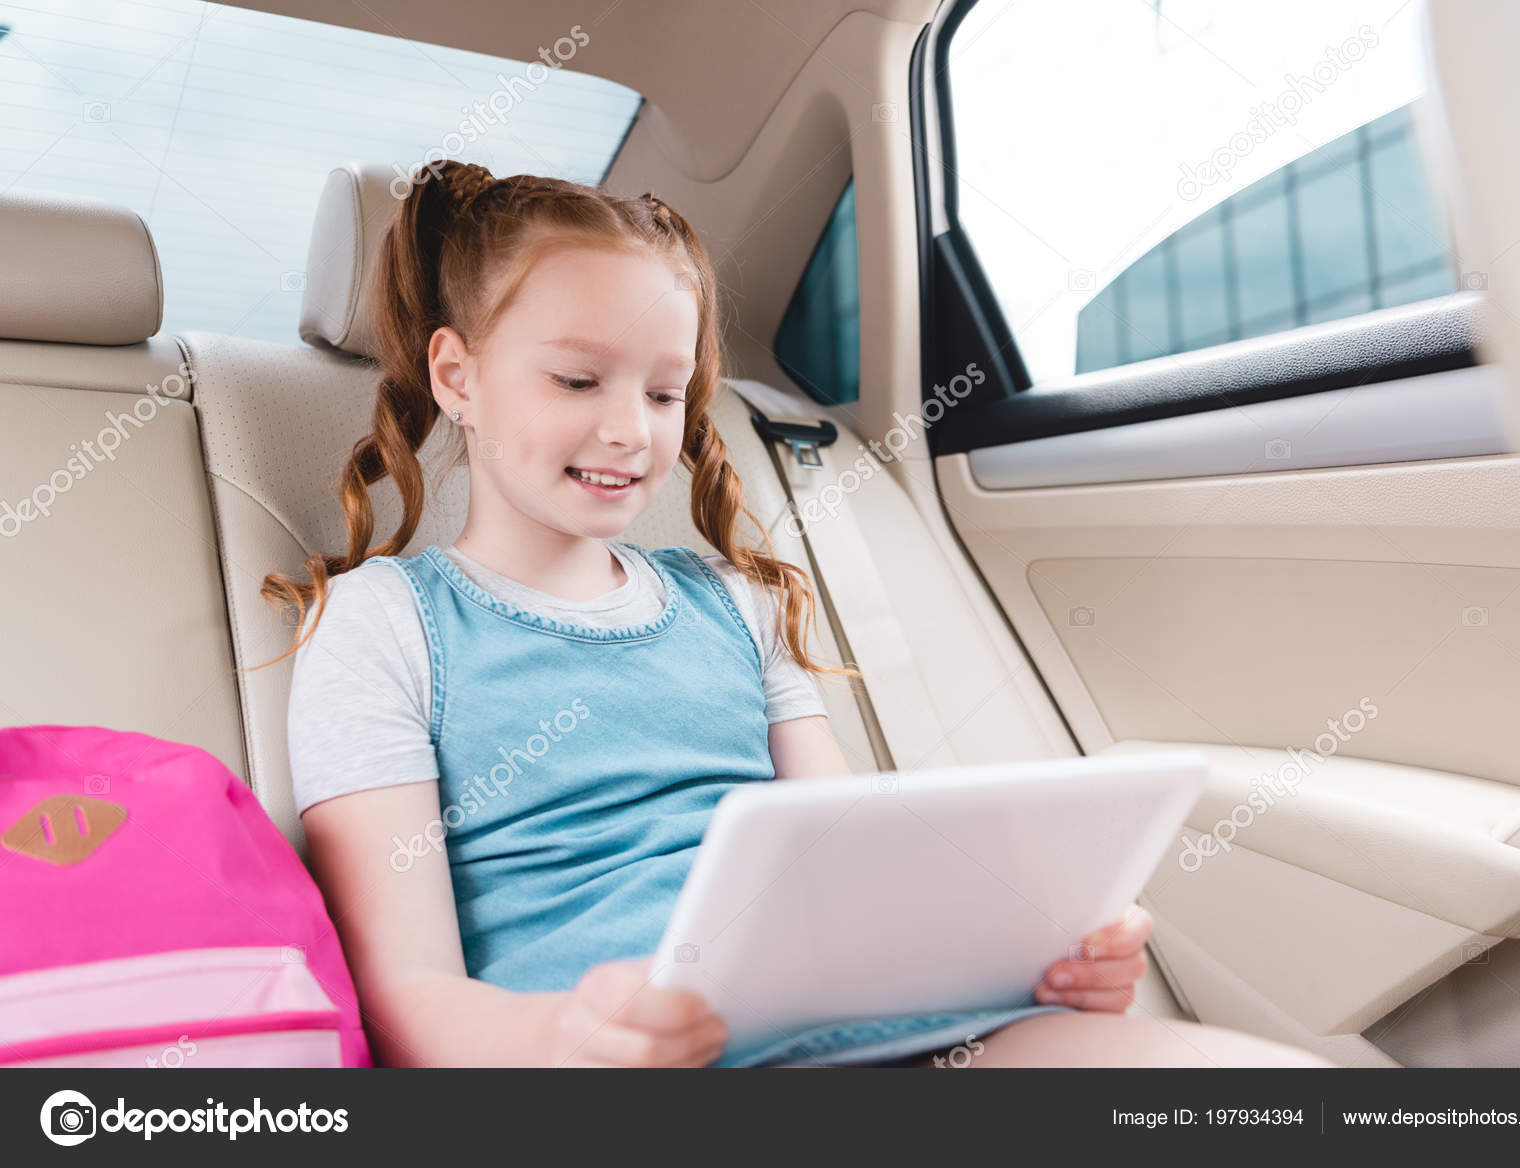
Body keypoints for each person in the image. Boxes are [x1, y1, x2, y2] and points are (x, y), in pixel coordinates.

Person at [268, 161, 1324, 1069]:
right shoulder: (383, 624)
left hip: (895, 1034)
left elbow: (859, 869)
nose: (631, 431)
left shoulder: (731, 604)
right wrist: (562, 1038)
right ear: (457, 374)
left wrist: (1042, 956)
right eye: (579, 377)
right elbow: (402, 995)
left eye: (663, 391)